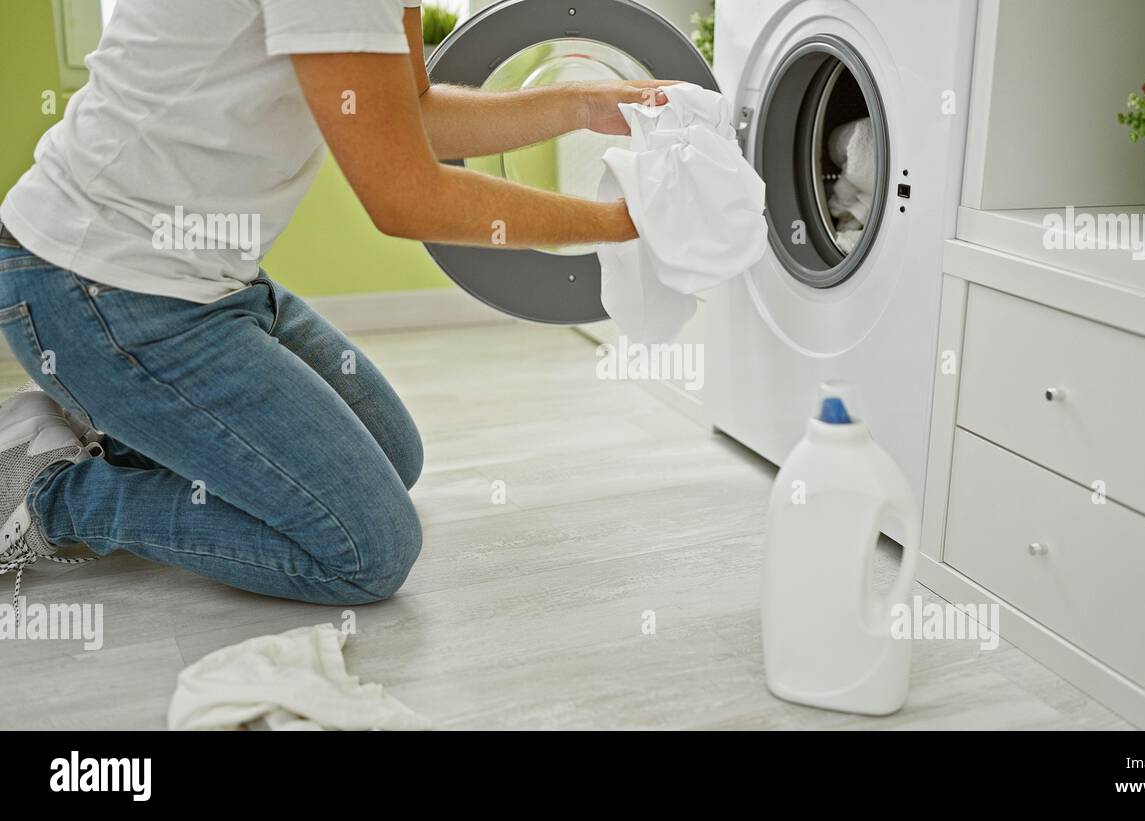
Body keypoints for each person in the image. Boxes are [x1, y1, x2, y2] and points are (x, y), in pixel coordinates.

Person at [0, 0, 667, 605]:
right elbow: (405, 196)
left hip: (202, 283)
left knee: (394, 453)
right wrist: (622, 224)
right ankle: (48, 492)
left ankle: (114, 424)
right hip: (97, 286)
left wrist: (580, 104)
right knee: (362, 551)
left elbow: (418, 116)